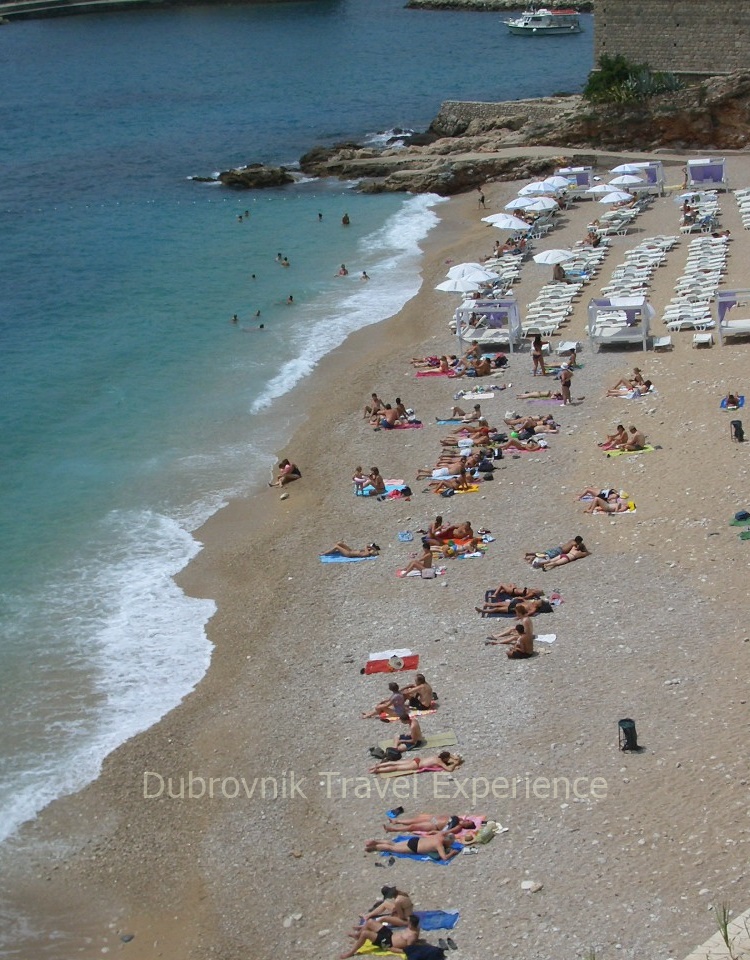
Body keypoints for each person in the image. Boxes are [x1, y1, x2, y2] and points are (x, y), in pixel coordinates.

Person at [340, 915, 420, 959]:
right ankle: (357, 936)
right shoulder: (415, 928)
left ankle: (350, 953)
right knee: (370, 922)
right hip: (390, 935)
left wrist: (392, 949)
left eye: (408, 921)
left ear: (411, 924)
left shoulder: (411, 936)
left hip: (387, 943)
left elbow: (409, 950)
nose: (406, 922)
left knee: (365, 933)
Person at [364, 832, 460, 860]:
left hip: (415, 840)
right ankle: (374, 848)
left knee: (394, 843)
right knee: (392, 848)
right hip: (414, 848)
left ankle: (375, 841)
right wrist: (452, 853)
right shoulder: (439, 845)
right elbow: (444, 858)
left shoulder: (440, 835)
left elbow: (447, 832)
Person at [369, 750, 463, 776]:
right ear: (445, 758)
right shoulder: (439, 762)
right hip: (416, 765)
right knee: (396, 768)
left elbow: (449, 754)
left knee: (396, 763)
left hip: (416, 760)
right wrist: (455, 764)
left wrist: (455, 758)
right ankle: (378, 770)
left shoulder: (437, 756)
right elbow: (449, 769)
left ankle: (377, 766)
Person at [382, 813, 475, 835]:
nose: (467, 821)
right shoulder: (460, 818)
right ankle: (396, 821)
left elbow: (446, 832)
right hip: (433, 819)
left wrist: (434, 832)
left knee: (413, 827)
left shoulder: (458, 827)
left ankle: (392, 829)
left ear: (466, 827)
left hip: (434, 825)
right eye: (468, 820)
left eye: (468, 823)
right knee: (414, 820)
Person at [475, 597, 551, 617]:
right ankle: (488, 604)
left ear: (539, 605)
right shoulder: (533, 602)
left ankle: (483, 611)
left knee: (498, 609)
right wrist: (521, 598)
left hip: (515, 609)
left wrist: (519, 616)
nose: (537, 601)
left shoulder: (534, 609)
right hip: (516, 603)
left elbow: (527, 614)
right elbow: (525, 601)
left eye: (538, 601)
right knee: (501, 603)